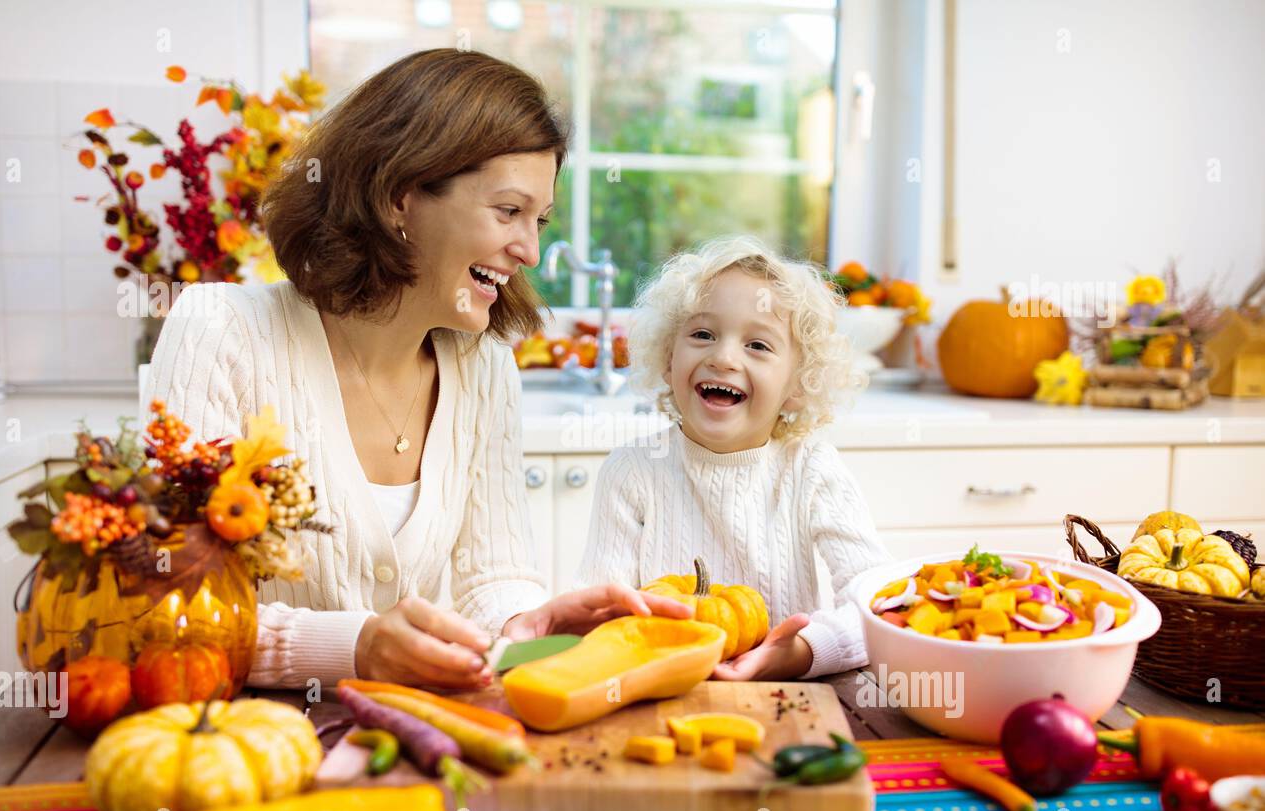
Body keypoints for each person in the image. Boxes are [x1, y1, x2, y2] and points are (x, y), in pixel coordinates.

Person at [148, 49, 688, 692]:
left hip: (417, 749)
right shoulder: (221, 331)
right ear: (399, 198)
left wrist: (524, 624)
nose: (531, 249)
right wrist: (354, 648)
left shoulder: (484, 366)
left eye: (538, 220)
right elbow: (172, 609)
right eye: (508, 211)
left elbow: (492, 575)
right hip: (243, 748)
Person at [576, 236, 894, 680]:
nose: (722, 358)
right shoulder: (633, 471)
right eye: (702, 334)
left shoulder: (813, 470)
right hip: (661, 692)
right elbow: (596, 612)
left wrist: (799, 653)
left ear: (799, 385)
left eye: (758, 346)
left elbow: (882, 608)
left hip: (788, 695)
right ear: (668, 359)